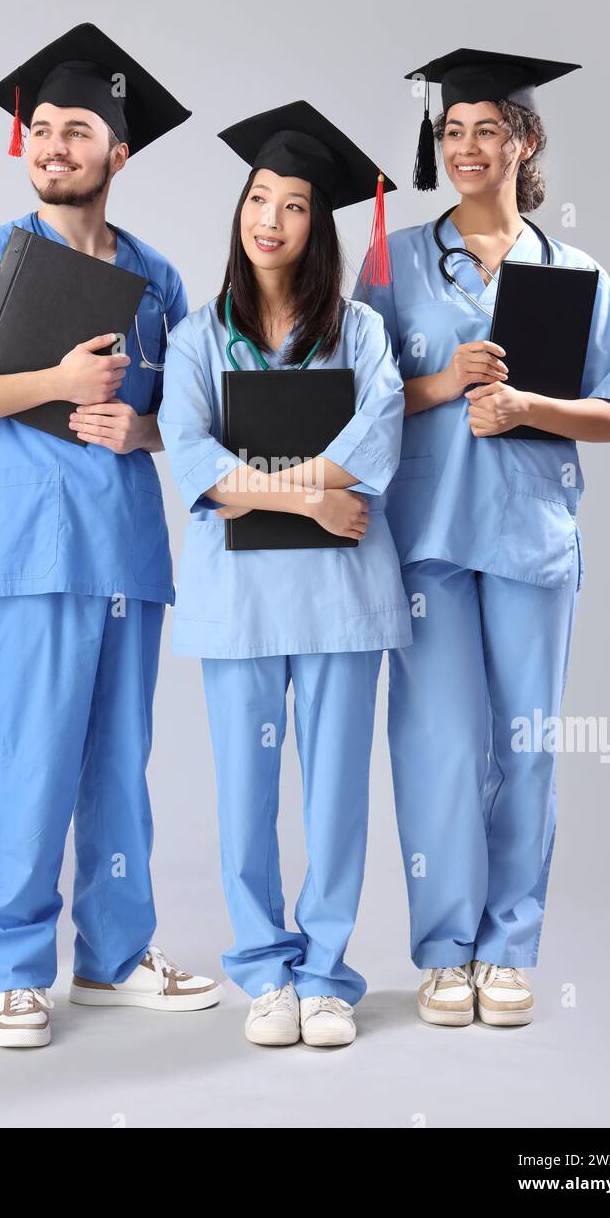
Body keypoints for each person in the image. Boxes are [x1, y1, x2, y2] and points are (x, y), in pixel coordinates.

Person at [0, 22, 220, 1049]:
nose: (52, 146)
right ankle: (14, 971)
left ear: (117, 152)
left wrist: (143, 427)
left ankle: (115, 960)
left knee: (120, 763)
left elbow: (189, 415)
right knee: (33, 760)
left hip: (126, 546)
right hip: (33, 548)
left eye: (76, 130)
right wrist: (54, 380)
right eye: (39, 128)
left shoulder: (156, 280)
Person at [353, 47, 610, 1027]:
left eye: (486, 129)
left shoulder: (574, 274)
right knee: (435, 742)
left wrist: (526, 408)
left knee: (526, 744)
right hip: (428, 537)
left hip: (529, 536)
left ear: (525, 140)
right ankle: (444, 951)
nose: (466, 146)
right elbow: (354, 401)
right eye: (452, 130)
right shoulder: (392, 262)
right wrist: (443, 385)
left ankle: (508, 947)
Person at [157, 100, 411, 1048]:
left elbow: (375, 438)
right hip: (242, 600)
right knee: (245, 795)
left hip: (343, 596)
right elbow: (195, 463)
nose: (269, 218)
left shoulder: (362, 333)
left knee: (337, 793)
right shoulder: (196, 338)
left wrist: (256, 486)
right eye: (258, 197)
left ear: (318, 225)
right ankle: (265, 971)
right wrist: (309, 501)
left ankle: (327, 975)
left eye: (294, 204)